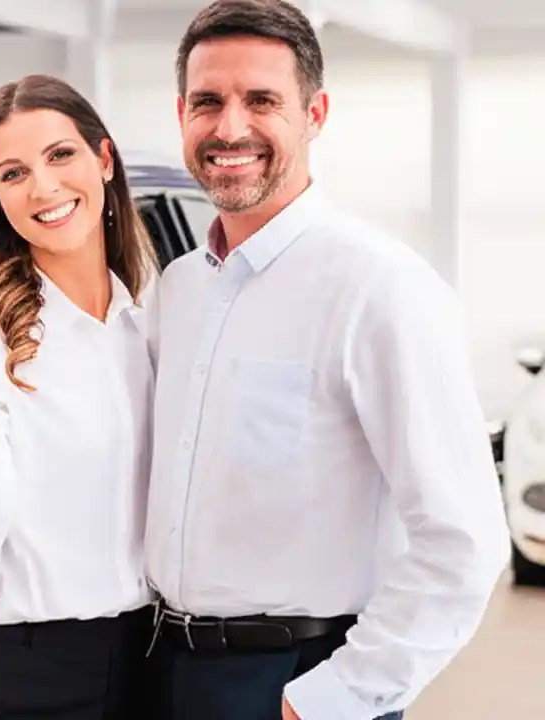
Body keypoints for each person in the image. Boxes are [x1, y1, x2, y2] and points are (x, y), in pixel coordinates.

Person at [142, 1, 510, 719]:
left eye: (262, 101)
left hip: (298, 678)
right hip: (167, 670)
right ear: (182, 112)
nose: (230, 128)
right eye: (208, 102)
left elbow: (463, 541)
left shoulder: (380, 288)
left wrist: (334, 699)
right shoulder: (180, 289)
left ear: (315, 114)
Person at [0, 74, 161, 718]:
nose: (44, 188)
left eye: (60, 155)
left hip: (154, 663)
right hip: (22, 676)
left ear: (103, 160)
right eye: (14, 173)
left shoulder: (155, 321)